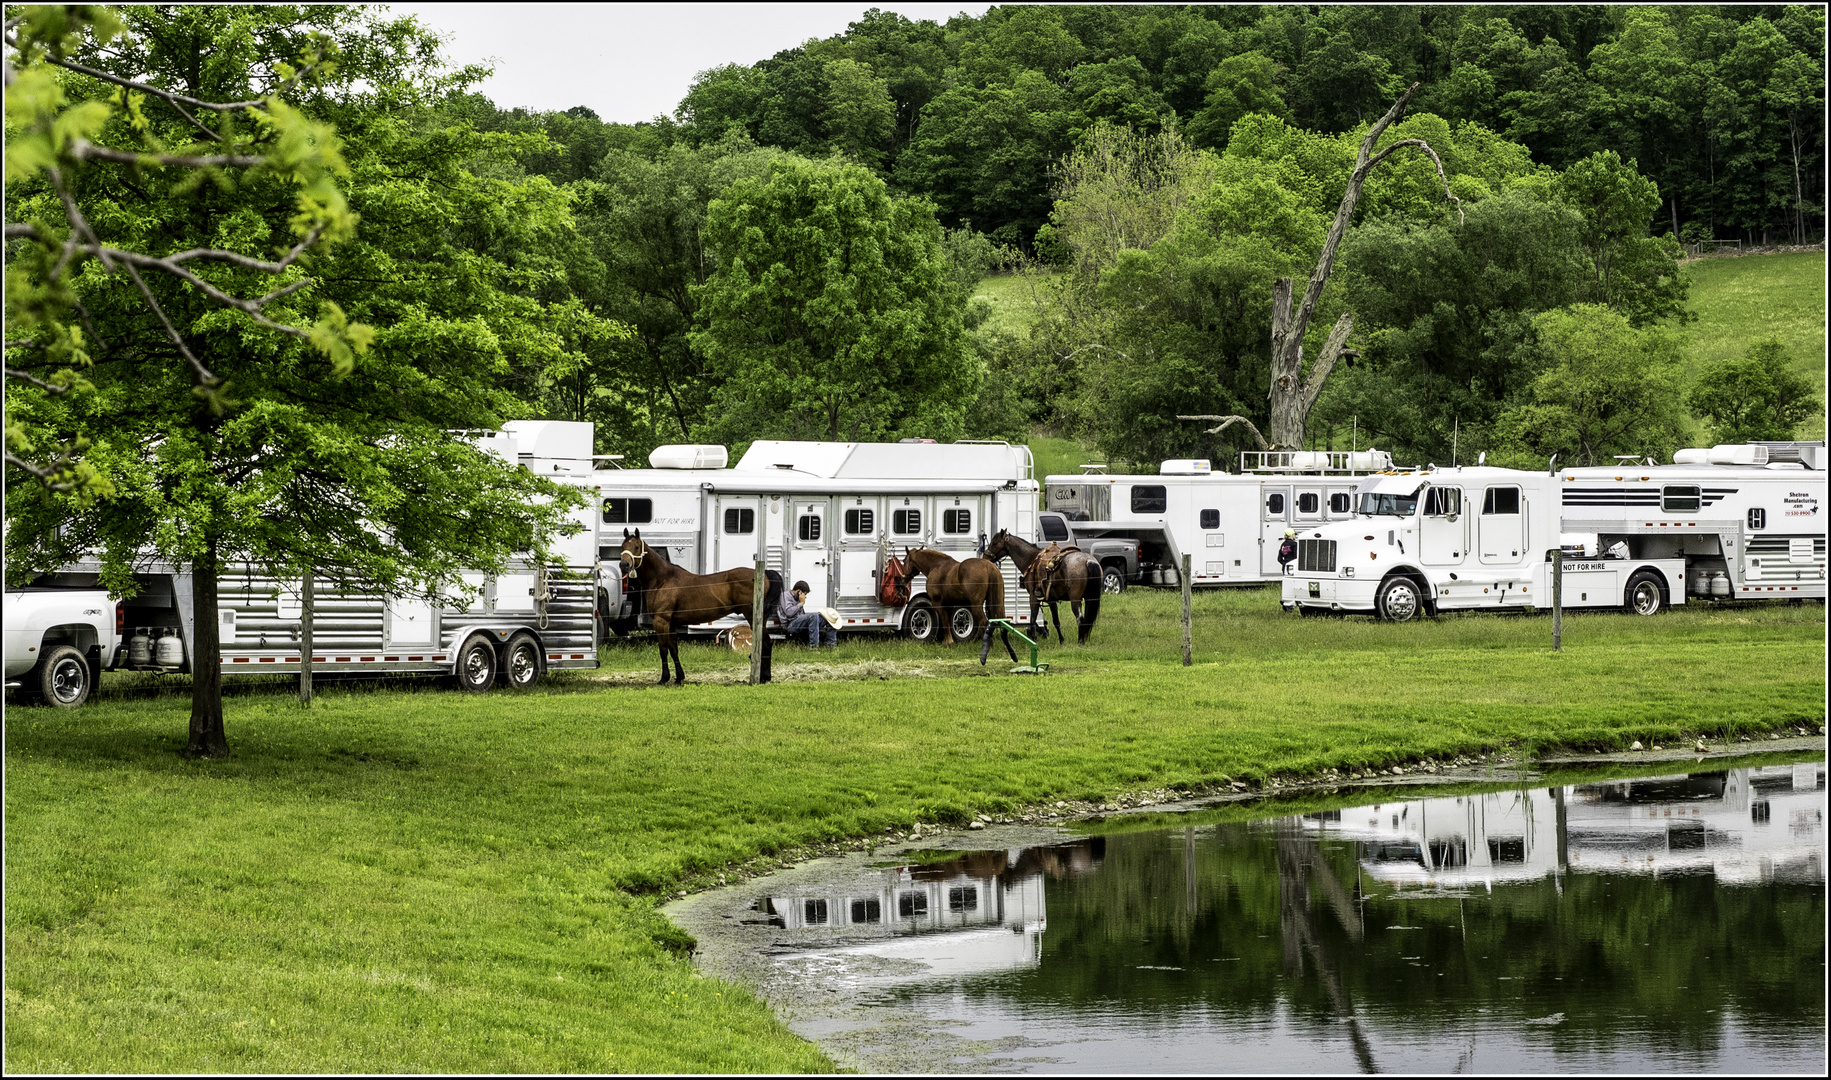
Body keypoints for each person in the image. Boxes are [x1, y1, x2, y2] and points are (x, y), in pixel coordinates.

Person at [778, 580, 836, 648]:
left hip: (799, 621)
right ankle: (814, 647)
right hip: (790, 624)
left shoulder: (797, 598)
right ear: (799, 591)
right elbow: (789, 613)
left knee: (828, 617)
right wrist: (801, 603)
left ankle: (830, 646)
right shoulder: (785, 596)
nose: (805, 597)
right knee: (813, 616)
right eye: (805, 594)